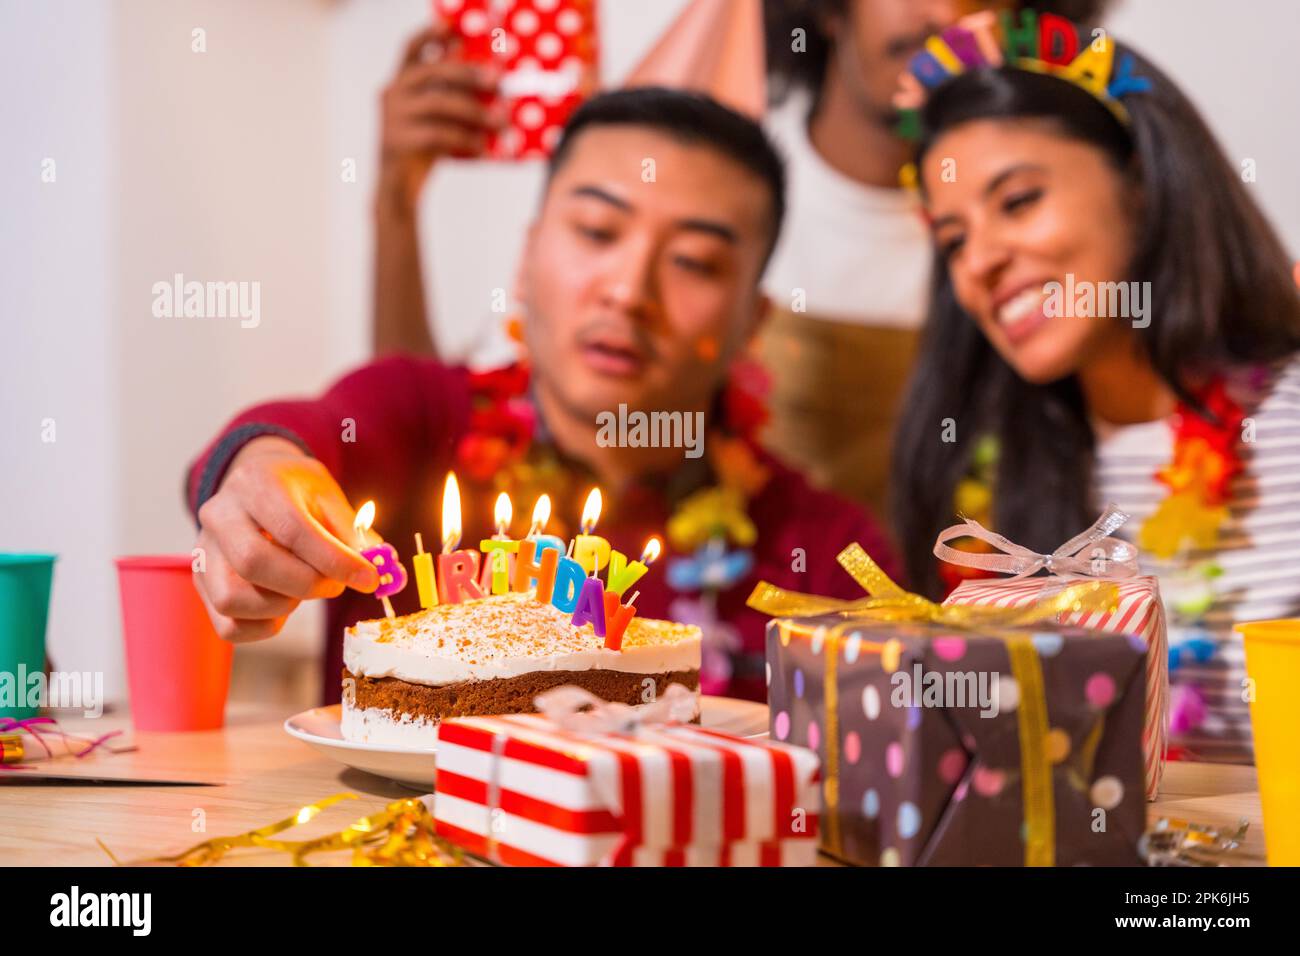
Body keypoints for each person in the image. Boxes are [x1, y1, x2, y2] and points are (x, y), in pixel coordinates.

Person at [186, 88, 899, 706]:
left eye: (694, 262)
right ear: (526, 259)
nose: (628, 291)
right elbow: (300, 434)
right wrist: (261, 470)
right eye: (596, 231)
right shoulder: (424, 418)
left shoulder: (827, 557)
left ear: (753, 322)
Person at [890, 14, 1300, 763]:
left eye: (1017, 202)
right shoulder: (986, 493)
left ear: (1141, 182)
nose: (978, 260)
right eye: (952, 239)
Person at [757, 0, 1109, 518]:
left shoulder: (1071, 238)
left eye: (1017, 201)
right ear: (830, 10)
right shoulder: (721, 190)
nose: (940, 14)